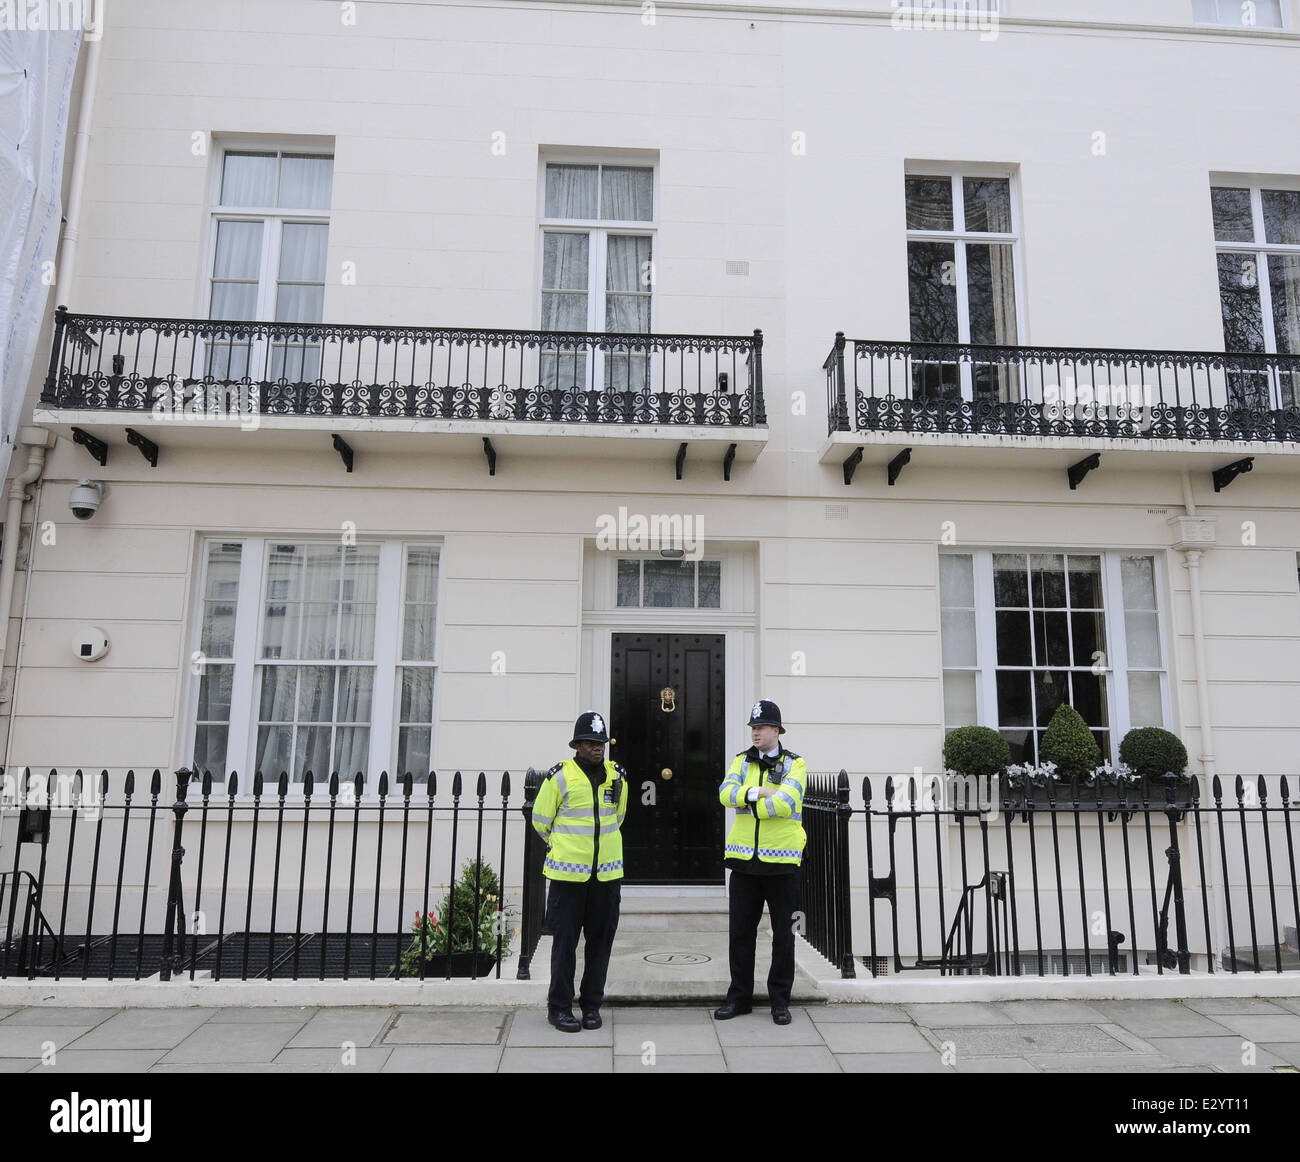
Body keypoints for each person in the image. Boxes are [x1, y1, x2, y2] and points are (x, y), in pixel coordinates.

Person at [530, 711, 629, 1032]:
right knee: (564, 946)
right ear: (577, 745)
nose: (597, 748)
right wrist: (565, 848)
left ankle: (591, 1006)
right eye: (590, 742)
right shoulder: (560, 776)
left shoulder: (618, 777)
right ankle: (559, 1007)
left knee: (600, 945)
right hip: (567, 879)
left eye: (600, 742)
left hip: (606, 878)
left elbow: (619, 816)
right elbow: (541, 821)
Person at [714, 699, 807, 1026]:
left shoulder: (796, 764)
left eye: (761, 727)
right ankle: (738, 997)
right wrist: (758, 793)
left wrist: (750, 800)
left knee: (785, 934)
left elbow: (786, 803)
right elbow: (725, 794)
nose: (755, 732)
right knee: (740, 934)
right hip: (743, 864)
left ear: (776, 731)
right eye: (753, 727)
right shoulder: (741, 761)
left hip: (782, 864)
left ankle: (780, 1000)